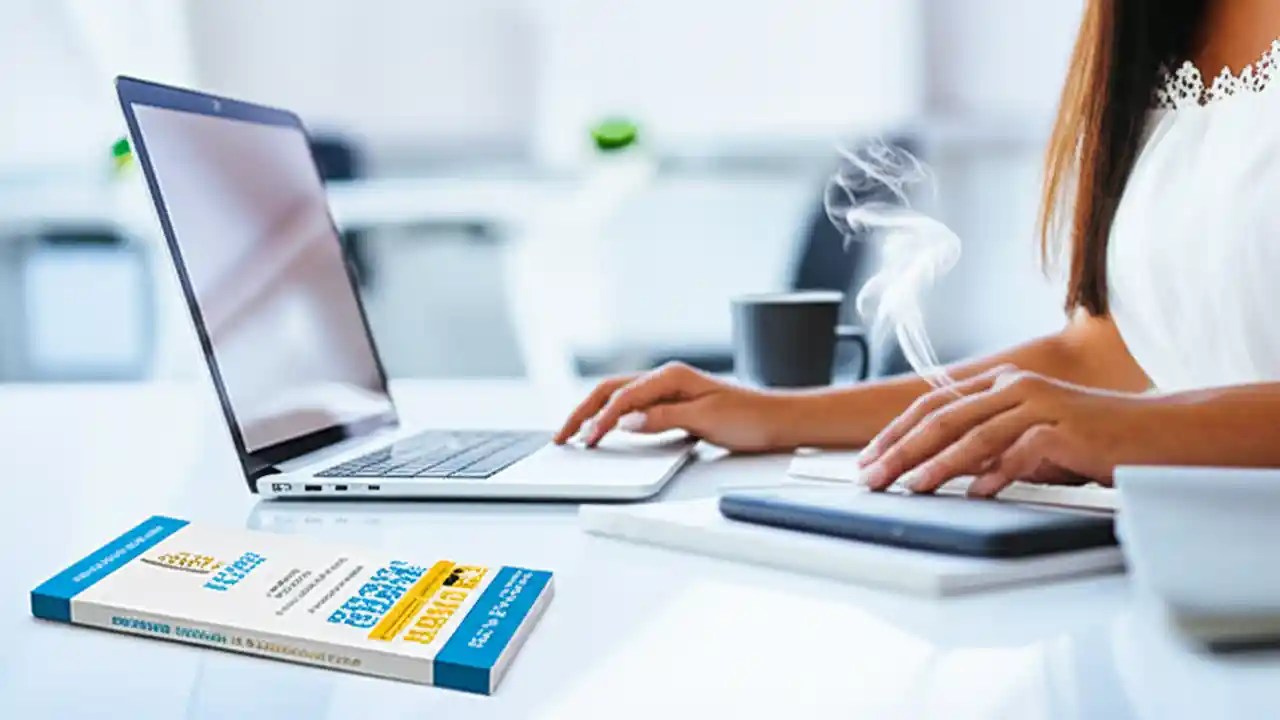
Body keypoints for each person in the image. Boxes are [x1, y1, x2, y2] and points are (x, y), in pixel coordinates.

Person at [554, 0, 1280, 497]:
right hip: (1179, 546)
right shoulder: (1143, 25)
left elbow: (1111, 403)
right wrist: (777, 415)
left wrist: (1135, 433)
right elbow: (1101, 355)